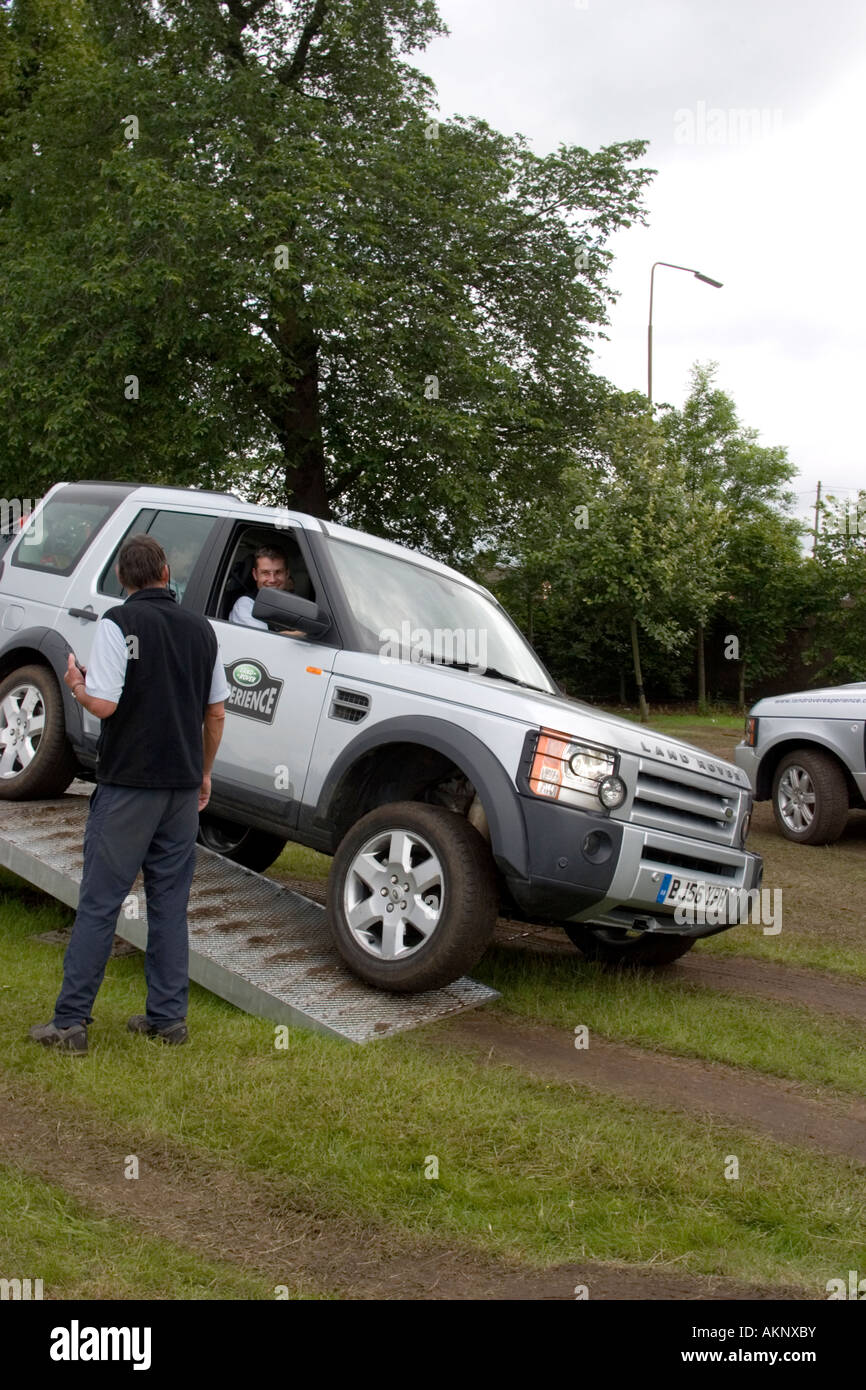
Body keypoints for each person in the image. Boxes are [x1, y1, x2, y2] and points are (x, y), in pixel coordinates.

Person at [28, 534, 230, 1054]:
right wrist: (204, 772)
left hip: (129, 786)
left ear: (124, 578)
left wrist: (76, 683)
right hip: (182, 787)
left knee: (100, 902)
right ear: (166, 571)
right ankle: (168, 1019)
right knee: (169, 904)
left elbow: (105, 705)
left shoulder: (119, 622)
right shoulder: (202, 631)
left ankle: (70, 1023)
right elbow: (216, 712)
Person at [229, 544, 306, 637]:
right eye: (265, 573)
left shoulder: (294, 604)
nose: (272, 580)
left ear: (287, 574)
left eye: (278, 572)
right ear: (255, 574)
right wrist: (305, 633)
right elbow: (266, 641)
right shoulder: (245, 605)